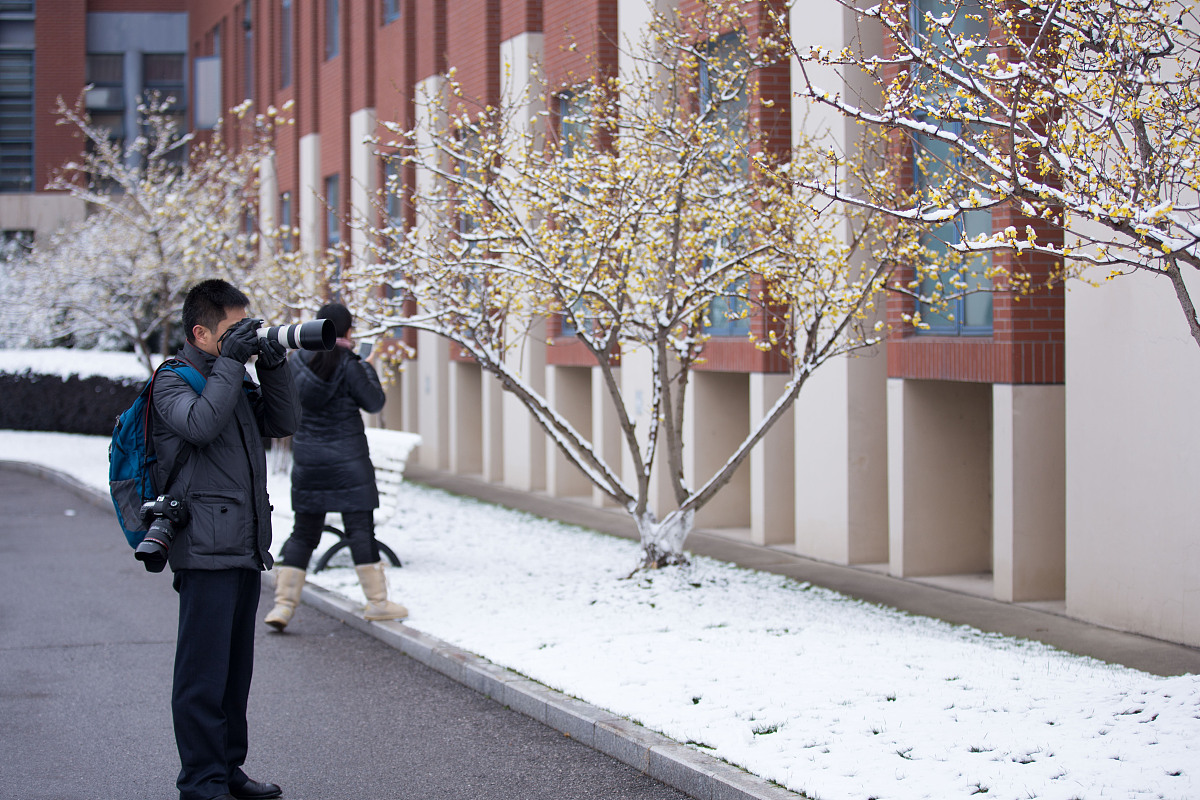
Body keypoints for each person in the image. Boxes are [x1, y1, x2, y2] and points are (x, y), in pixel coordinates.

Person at [151, 279, 299, 800]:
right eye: (232, 331)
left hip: (243, 542)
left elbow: (284, 421)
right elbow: (199, 425)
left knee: (235, 675)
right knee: (202, 676)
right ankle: (200, 778)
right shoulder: (172, 381)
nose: (242, 338)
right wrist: (234, 367)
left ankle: (228, 769)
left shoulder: (230, 377)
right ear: (201, 332)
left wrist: (274, 362)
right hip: (202, 546)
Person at [264, 302, 407, 631]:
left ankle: (283, 606)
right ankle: (378, 603)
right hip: (348, 463)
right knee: (360, 532)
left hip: (309, 463)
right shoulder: (350, 365)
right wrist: (367, 366)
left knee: (303, 533)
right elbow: (374, 402)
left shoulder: (296, 361)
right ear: (347, 331)